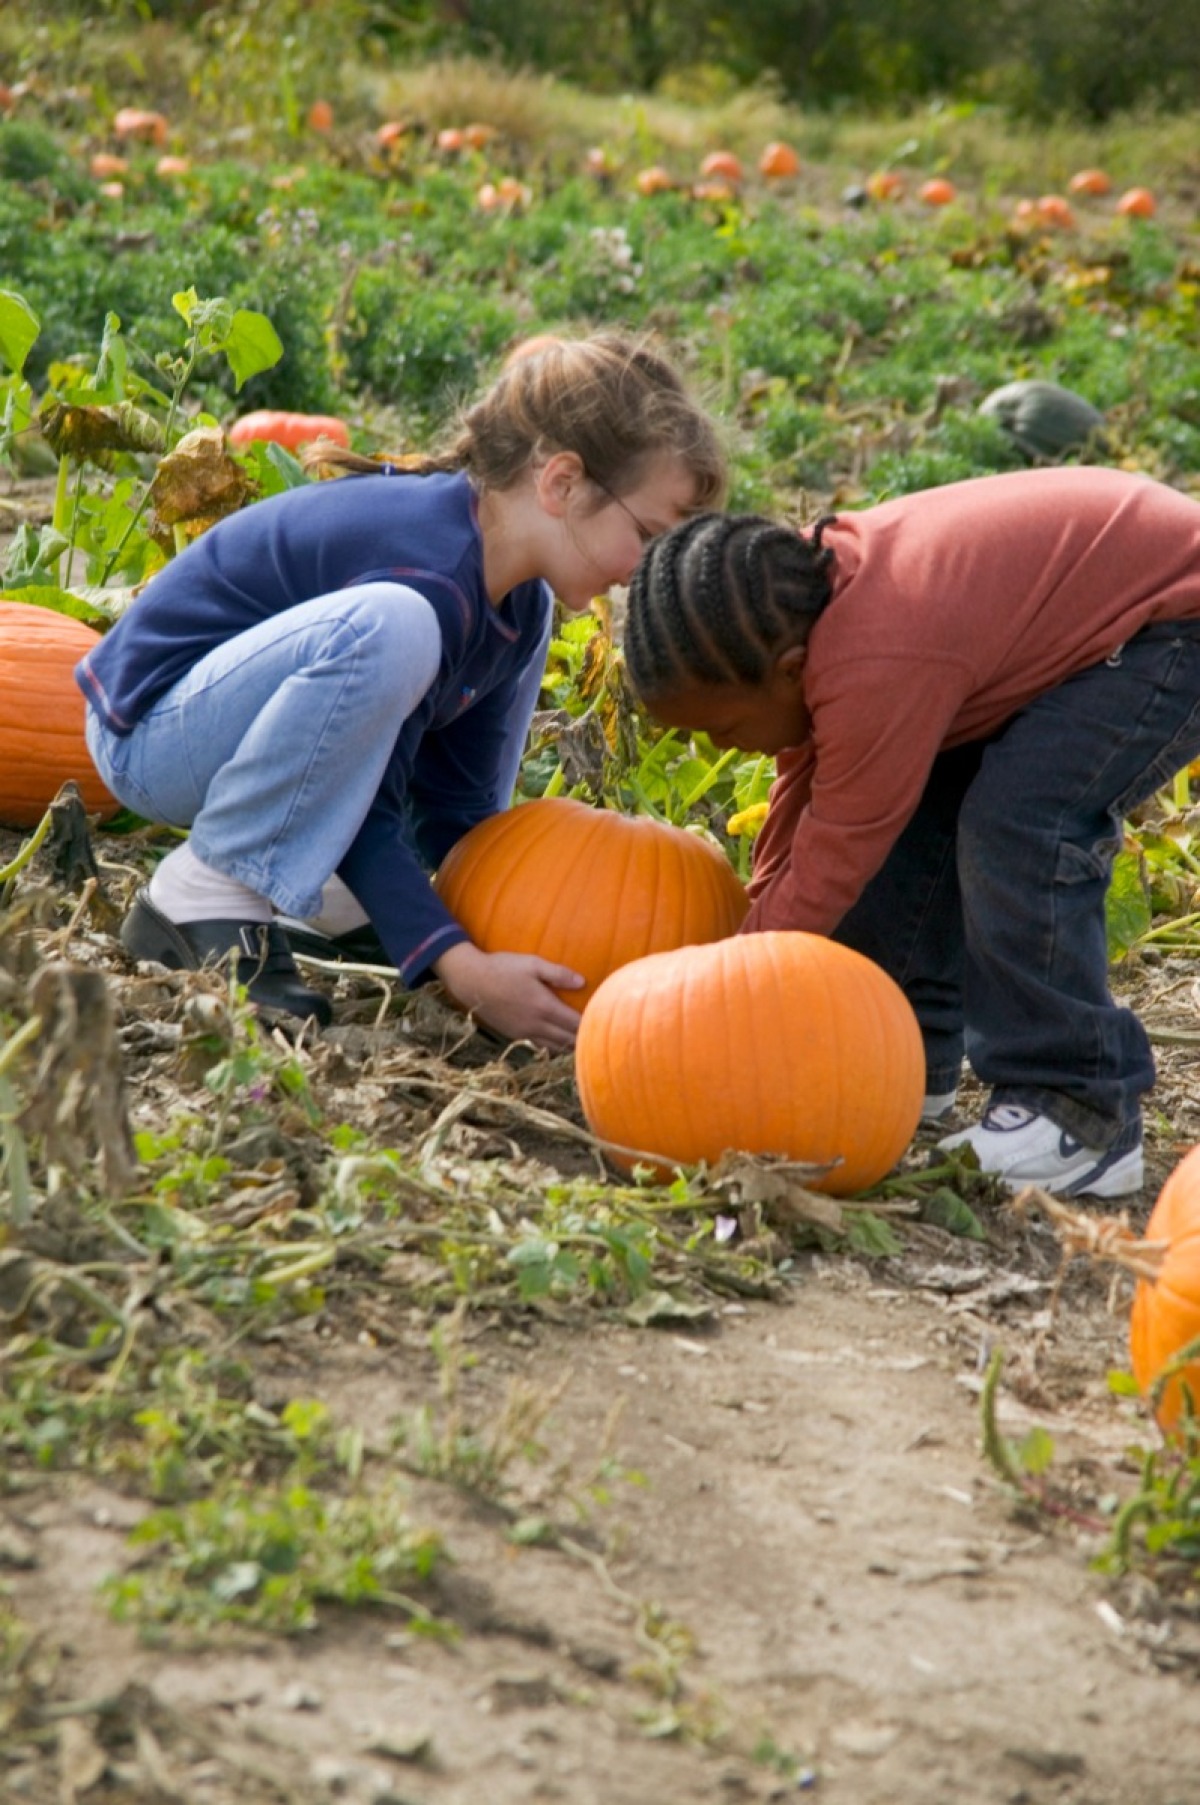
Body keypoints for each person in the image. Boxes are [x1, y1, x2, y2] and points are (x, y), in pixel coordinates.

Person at [78, 333, 726, 1046]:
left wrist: (488, 924)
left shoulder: (522, 605)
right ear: (562, 483)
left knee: (404, 651)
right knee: (396, 626)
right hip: (153, 729)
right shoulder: (432, 575)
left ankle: (312, 895)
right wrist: (460, 967)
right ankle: (204, 889)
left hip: (231, 739)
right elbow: (371, 804)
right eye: (650, 535)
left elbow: (459, 808)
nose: (649, 569)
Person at [623, 466, 1200, 1198]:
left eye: (723, 727)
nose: (723, 749)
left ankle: (1078, 1107)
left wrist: (722, 999)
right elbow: (803, 791)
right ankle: (903, 1063)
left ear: (789, 669)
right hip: (1085, 615)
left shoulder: (876, 656)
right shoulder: (784, 613)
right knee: (924, 792)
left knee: (1023, 818)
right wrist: (755, 913)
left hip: (1170, 622)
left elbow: (835, 851)